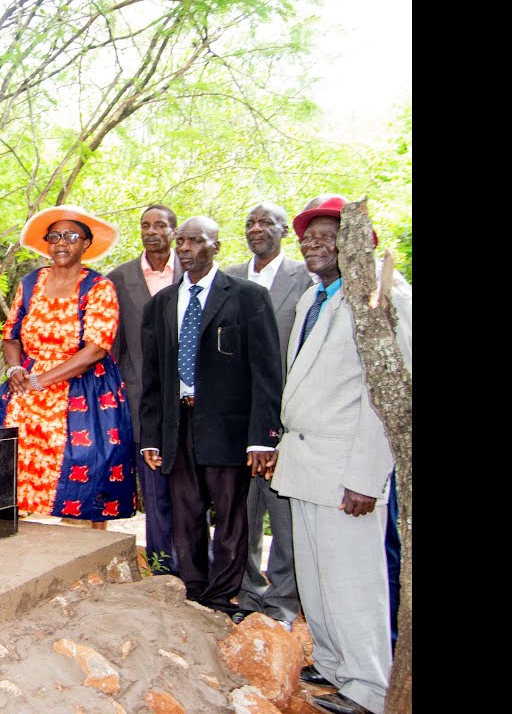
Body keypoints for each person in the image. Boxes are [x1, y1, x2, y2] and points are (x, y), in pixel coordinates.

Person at [269, 195, 411, 714]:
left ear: (358, 243)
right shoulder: (315, 298)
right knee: (316, 575)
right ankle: (331, 664)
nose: (314, 243)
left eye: (328, 235)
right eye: (308, 236)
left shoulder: (383, 296)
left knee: (354, 580)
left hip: (347, 467)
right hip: (305, 460)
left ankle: (370, 686)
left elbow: (391, 394)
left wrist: (368, 477)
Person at [138, 215, 283, 617]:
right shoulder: (161, 304)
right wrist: (150, 436)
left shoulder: (246, 296)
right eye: (180, 241)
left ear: (216, 246)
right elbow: (154, 378)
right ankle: (194, 591)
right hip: (177, 425)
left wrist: (263, 437)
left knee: (231, 516)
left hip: (228, 427)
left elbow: (268, 372)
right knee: (184, 512)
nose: (185, 248)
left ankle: (221, 598)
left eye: (195, 241)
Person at [0, 205, 135, 530]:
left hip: (84, 388)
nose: (62, 243)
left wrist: (43, 381)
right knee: (3, 447)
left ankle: (85, 552)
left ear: (85, 244)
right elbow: (10, 335)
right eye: (55, 236)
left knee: (88, 462)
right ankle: (15, 540)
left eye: (71, 236)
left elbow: (95, 349)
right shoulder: (30, 283)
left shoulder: (99, 288)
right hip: (27, 380)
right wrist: (15, 371)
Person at [222, 202, 314, 630]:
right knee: (241, 509)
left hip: (285, 413)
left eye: (266, 223)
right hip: (235, 414)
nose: (256, 228)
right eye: (250, 223)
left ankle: (281, 602)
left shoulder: (305, 279)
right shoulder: (230, 277)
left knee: (281, 512)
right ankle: (246, 591)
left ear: (283, 231)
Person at [106, 204, 183, 574]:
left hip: (192, 399)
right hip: (140, 399)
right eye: (145, 225)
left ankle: (195, 565)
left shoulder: (193, 272)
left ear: (174, 230)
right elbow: (114, 346)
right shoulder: (119, 278)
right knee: (152, 485)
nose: (151, 231)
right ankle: (162, 563)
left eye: (160, 225)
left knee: (189, 487)